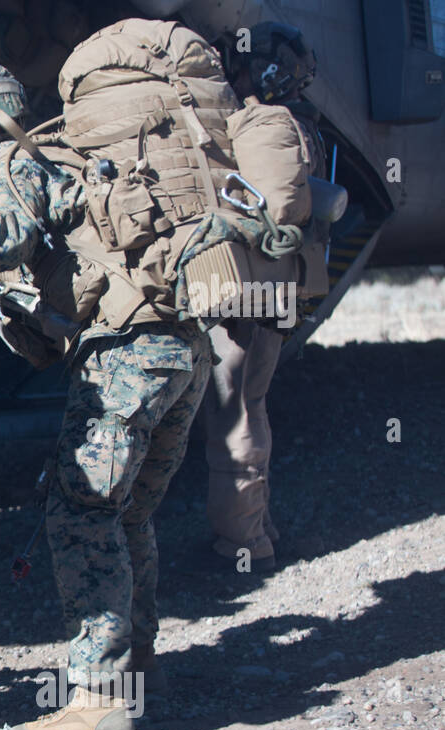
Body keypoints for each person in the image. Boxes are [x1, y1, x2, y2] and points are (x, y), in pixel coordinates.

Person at [0, 60, 214, 730]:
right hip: (181, 349)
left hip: (126, 353)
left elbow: (1, 239)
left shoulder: (13, 163)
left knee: (80, 515)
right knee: (125, 511)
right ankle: (138, 669)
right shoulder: (61, 162)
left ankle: (99, 700)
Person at [201, 21, 322, 573]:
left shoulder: (259, 128)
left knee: (236, 411)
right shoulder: (296, 126)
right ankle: (259, 527)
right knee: (253, 402)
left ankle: (245, 546)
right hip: (274, 288)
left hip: (250, 288)